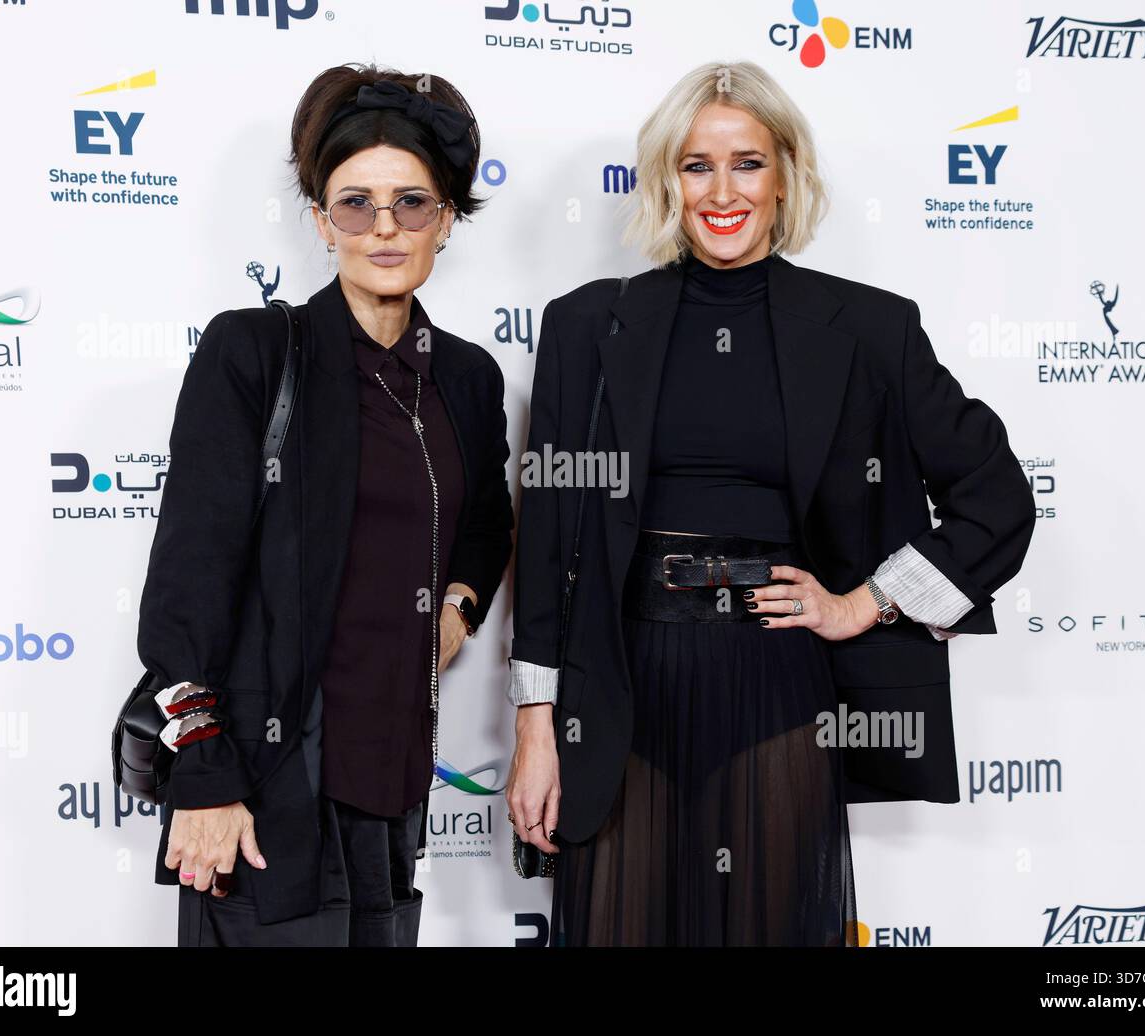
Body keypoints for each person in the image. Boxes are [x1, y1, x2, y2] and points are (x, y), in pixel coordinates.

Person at [504, 60, 1036, 946]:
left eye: (747, 163)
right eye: (696, 164)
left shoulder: (869, 328)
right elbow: (552, 528)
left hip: (778, 692)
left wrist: (866, 601)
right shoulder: (586, 325)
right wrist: (533, 724)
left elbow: (998, 499)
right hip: (622, 686)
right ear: (667, 177)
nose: (722, 191)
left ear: (786, 174)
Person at [137, 63, 513, 946]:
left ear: (446, 218)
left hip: (395, 790)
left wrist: (457, 610)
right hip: (266, 786)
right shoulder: (256, 353)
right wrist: (205, 774)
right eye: (356, 204)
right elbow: (190, 578)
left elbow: (487, 518)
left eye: (411, 202)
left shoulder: (466, 375)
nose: (384, 227)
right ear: (321, 221)